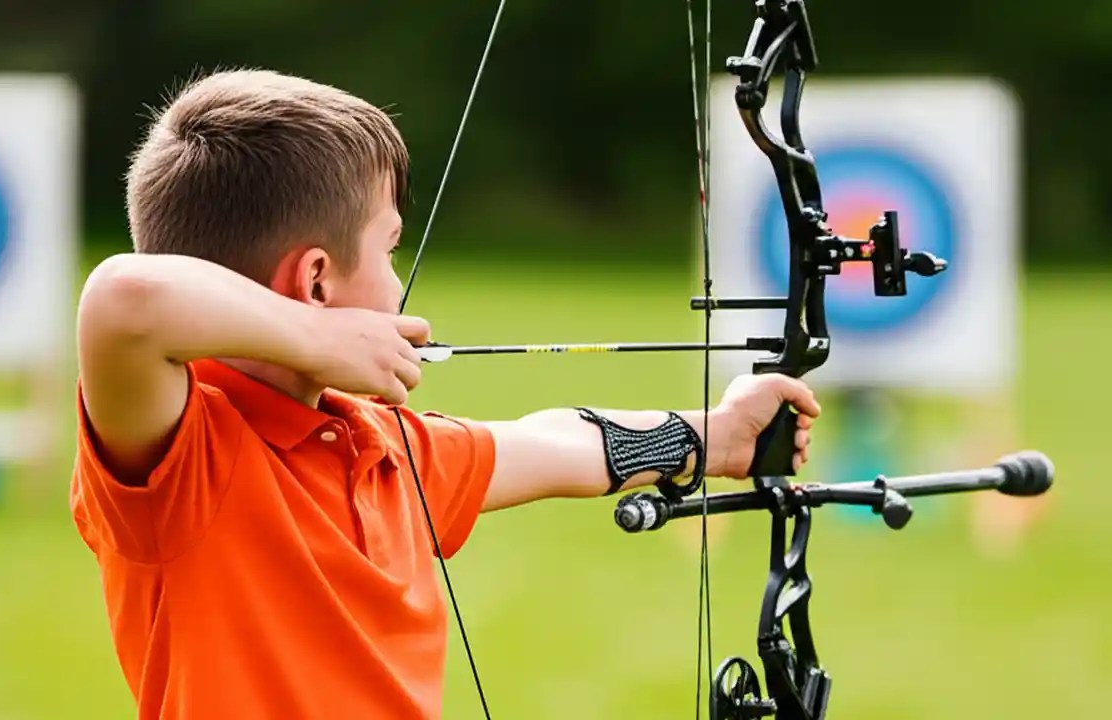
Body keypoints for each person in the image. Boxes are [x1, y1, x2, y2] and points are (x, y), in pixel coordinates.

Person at [70, 69, 821, 720]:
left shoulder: (380, 447)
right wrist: (316, 336)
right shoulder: (183, 457)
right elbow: (123, 297)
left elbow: (554, 443)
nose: (399, 284)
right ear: (317, 279)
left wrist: (715, 437)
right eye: (391, 248)